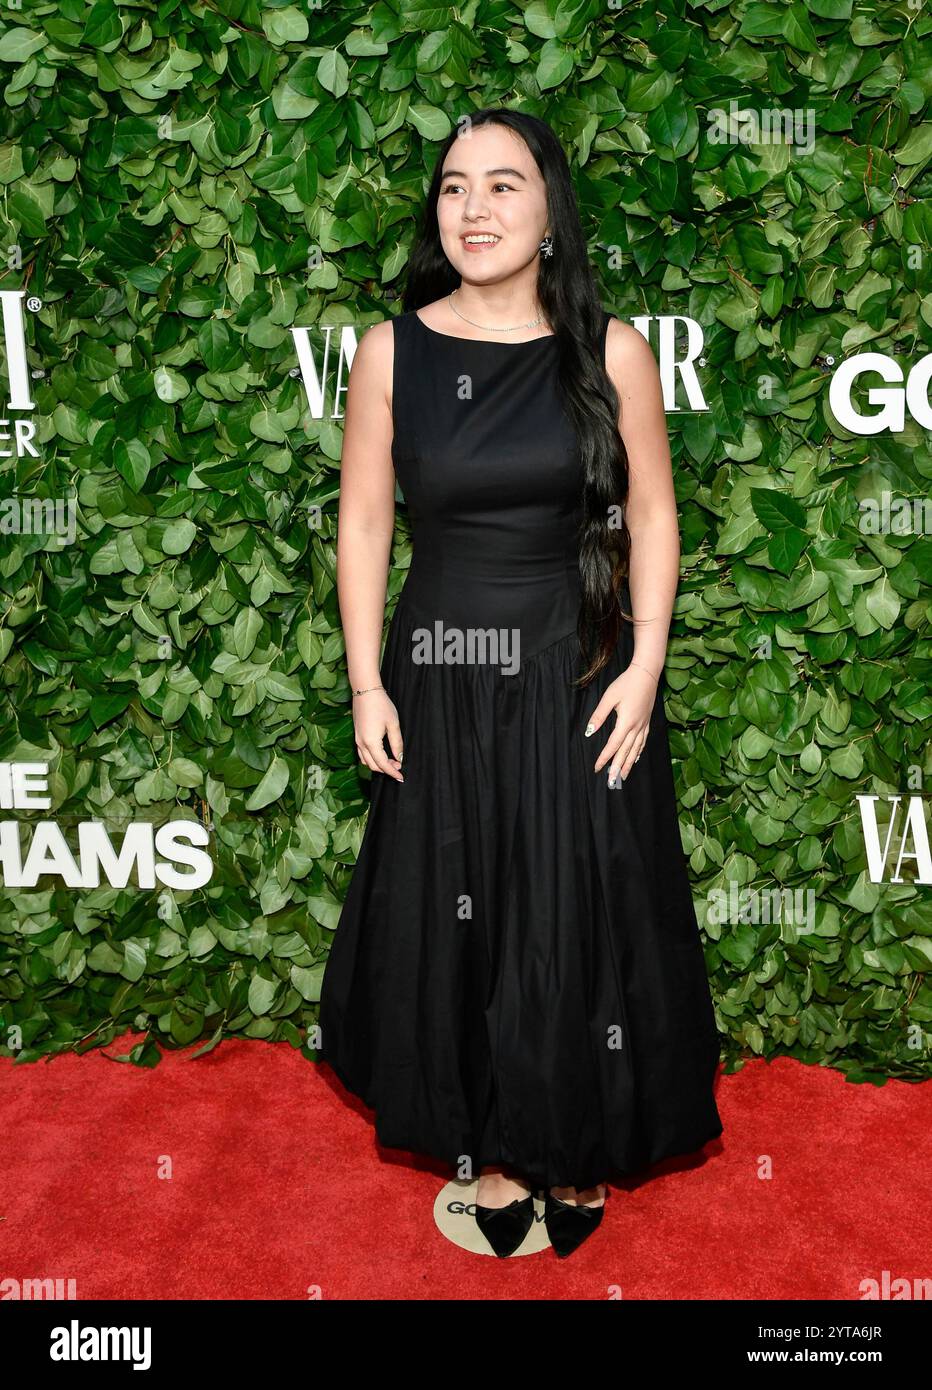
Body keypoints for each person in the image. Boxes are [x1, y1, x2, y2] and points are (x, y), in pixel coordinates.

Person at [318, 107, 723, 1260]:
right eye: (454, 187)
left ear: (549, 214)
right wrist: (364, 684)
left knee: (572, 912)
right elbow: (360, 522)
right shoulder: (393, 350)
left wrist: (643, 665)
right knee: (465, 912)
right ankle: (490, 1150)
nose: (475, 208)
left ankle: (574, 1140)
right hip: (440, 676)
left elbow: (649, 511)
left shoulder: (611, 350)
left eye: (503, 185)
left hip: (574, 669)